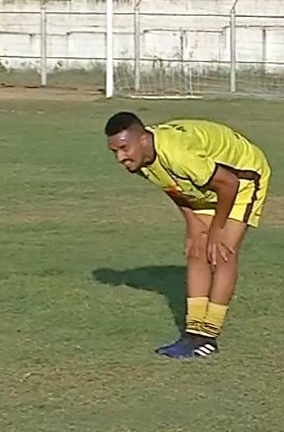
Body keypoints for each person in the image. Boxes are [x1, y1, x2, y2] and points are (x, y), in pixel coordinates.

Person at [104, 113, 271, 359]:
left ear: (142, 139)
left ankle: (208, 337)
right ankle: (192, 334)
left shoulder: (178, 154)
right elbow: (173, 187)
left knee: (222, 252)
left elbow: (229, 183)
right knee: (196, 252)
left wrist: (216, 228)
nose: (120, 158)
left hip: (243, 178)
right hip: (209, 184)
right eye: (114, 151)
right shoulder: (141, 161)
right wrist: (192, 222)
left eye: (124, 148)